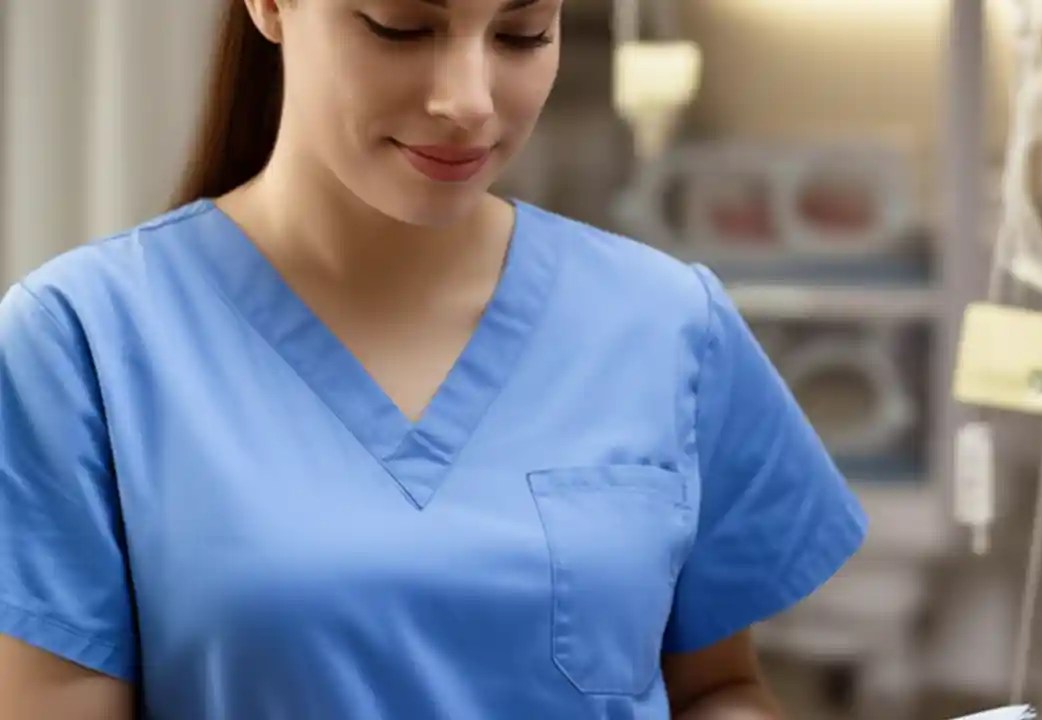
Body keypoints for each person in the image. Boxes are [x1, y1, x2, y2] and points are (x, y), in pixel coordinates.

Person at [0, 1, 867, 717]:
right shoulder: (83, 342)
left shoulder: (668, 323)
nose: (471, 101)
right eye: (401, 27)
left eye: (522, 35)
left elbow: (717, 688)